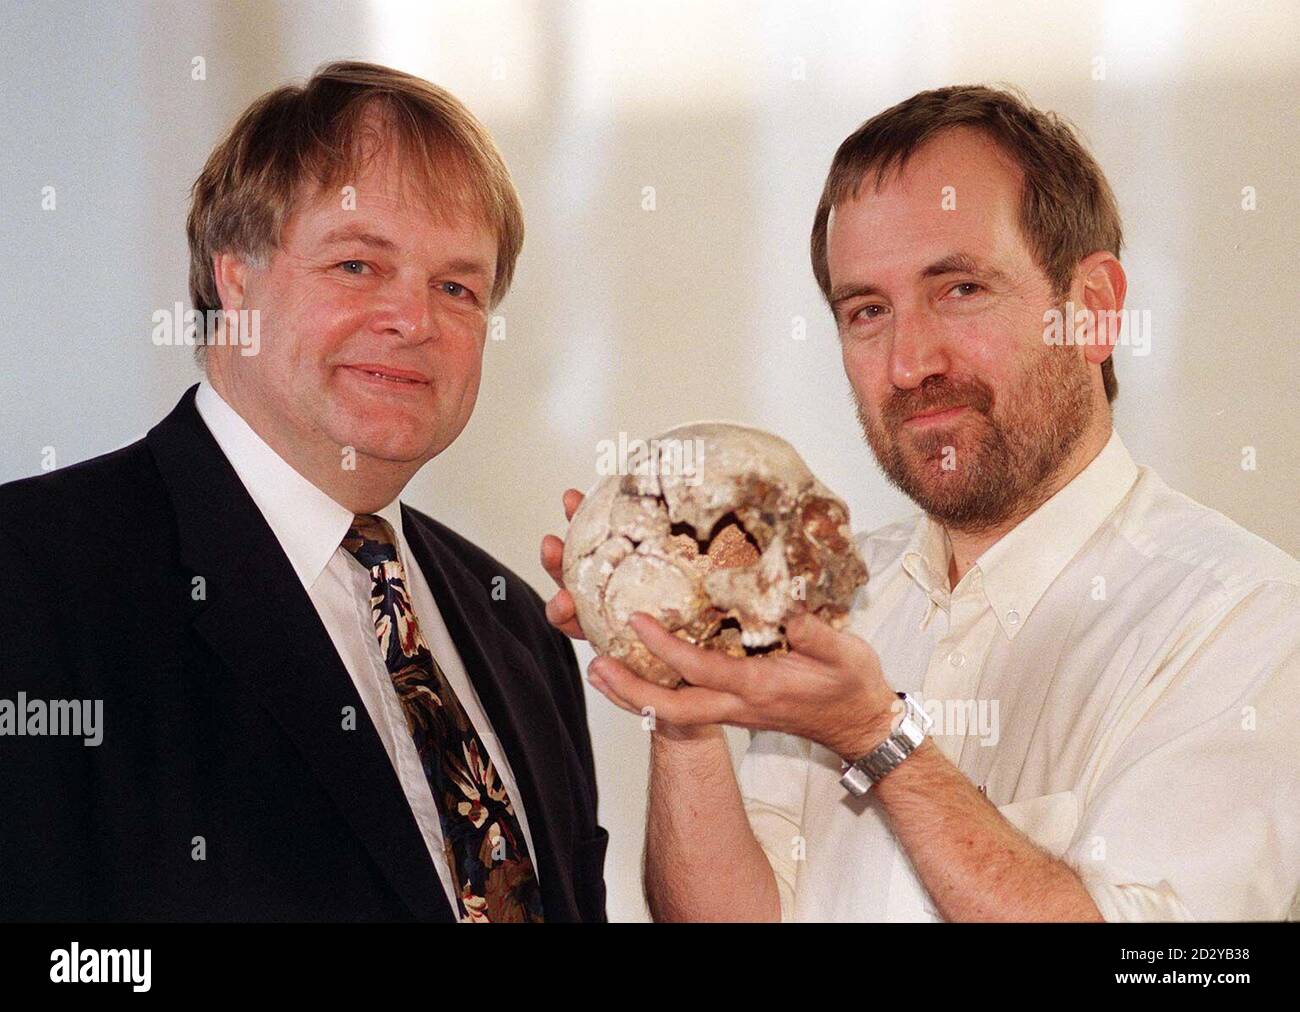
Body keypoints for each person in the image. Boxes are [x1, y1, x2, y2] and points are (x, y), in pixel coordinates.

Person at [542, 85, 1299, 922]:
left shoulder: (1248, 620)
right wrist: (684, 705)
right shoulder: (827, 597)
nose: (909, 363)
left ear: (1093, 310)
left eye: (961, 289)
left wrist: (879, 739)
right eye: (868, 310)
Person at [0, 61, 607, 922]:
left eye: (457, 287)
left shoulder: (521, 632)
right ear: (234, 280)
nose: (415, 319)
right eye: (358, 265)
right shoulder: (31, 580)